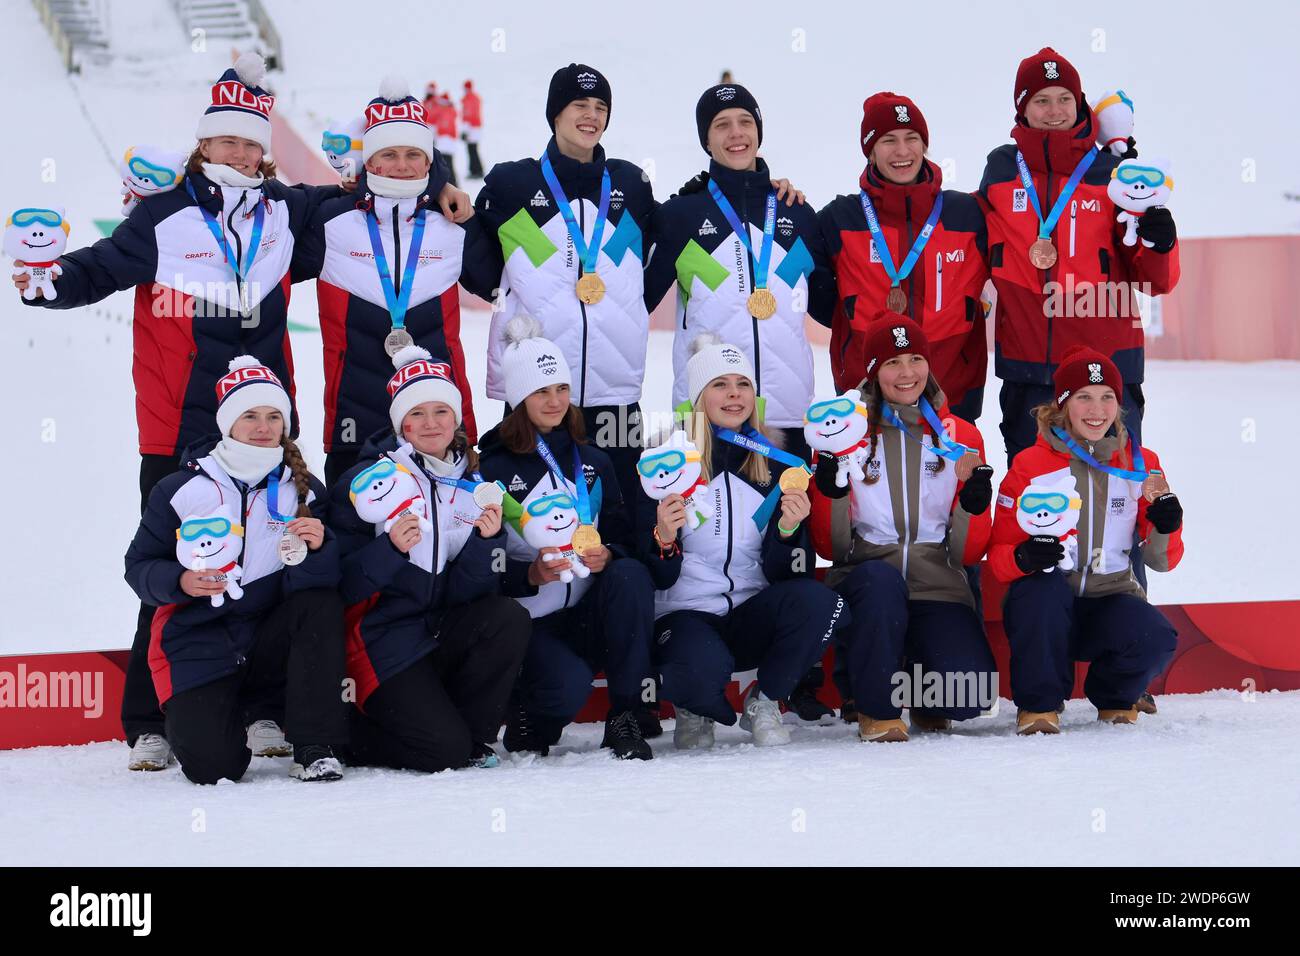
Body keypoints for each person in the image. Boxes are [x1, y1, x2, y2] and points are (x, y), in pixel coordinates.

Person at [12, 53, 349, 772]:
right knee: (175, 567)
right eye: (227, 140)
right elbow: (100, 266)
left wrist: (446, 189)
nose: (240, 151)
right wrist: (48, 281)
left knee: (269, 567)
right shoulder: (165, 216)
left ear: (263, 149)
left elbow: (364, 197)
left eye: (251, 141)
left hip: (264, 433)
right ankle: (148, 719)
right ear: (204, 145)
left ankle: (261, 710)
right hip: (180, 431)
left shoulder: (287, 211)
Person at [124, 356, 347, 783]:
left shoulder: (303, 490)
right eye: (250, 415)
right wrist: (180, 581)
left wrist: (319, 550)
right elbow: (138, 567)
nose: (263, 427)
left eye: (273, 416)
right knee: (214, 769)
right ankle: (220, 715)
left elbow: (325, 584)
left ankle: (314, 745)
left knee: (319, 605)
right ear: (228, 422)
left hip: (267, 640)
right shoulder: (180, 487)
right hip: (198, 639)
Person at [640, 335, 849, 749]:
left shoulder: (773, 462)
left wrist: (788, 532)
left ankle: (766, 701)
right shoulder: (667, 459)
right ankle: (695, 705)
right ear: (699, 396)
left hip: (750, 608)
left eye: (743, 384)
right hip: (686, 612)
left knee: (823, 604)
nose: (734, 394)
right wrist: (662, 536)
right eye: (720, 384)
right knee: (702, 669)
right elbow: (650, 568)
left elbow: (779, 570)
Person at [330, 347, 531, 772]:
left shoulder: (474, 484)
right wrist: (389, 550)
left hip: (439, 629)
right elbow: (342, 585)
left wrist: (484, 542)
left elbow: (470, 593)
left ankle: (473, 736)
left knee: (506, 617)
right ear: (400, 423)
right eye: (417, 413)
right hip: (383, 636)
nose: (431, 423)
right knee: (442, 752)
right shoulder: (368, 483)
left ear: (456, 419)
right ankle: (345, 733)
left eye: (441, 410)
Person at [976, 47, 1180, 464]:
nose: (1055, 110)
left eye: (1064, 98)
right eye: (1042, 100)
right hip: (1028, 369)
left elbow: (1156, 279)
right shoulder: (1001, 170)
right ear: (1022, 108)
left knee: (1115, 492)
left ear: (1080, 101)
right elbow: (967, 241)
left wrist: (1161, 242)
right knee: (1034, 498)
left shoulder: (1115, 174)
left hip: (1106, 373)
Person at [295, 77, 501, 488]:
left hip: (439, 419)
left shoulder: (454, 224)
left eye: (413, 154)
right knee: (356, 541)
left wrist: (459, 204)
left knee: (445, 539)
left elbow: (495, 283)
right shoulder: (330, 221)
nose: (402, 165)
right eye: (388, 154)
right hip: (355, 418)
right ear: (369, 162)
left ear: (429, 163)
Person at [474, 64, 655, 527]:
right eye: (580, 105)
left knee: (620, 516)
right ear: (555, 114)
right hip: (536, 388)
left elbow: (662, 252)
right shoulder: (512, 184)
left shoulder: (631, 184)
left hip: (614, 389)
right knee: (531, 517)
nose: (591, 116)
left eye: (601, 108)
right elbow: (478, 269)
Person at [477, 315, 659, 760]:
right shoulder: (492, 469)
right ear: (520, 398)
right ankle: (529, 710)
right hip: (530, 621)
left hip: (585, 610)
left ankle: (625, 716)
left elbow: (623, 536)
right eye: (542, 391)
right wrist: (530, 574)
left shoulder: (593, 459)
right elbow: (482, 565)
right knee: (568, 688)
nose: (556, 400)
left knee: (631, 575)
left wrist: (609, 554)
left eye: (561, 389)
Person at [808, 314, 997, 742]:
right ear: (873, 371)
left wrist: (973, 504)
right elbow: (830, 547)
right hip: (868, 580)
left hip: (937, 585)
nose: (907, 372)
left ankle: (919, 683)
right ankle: (877, 709)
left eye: (915, 359)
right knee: (879, 584)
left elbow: (967, 555)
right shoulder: (843, 432)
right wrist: (831, 491)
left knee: (970, 696)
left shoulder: (959, 436)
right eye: (892, 362)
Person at [988, 346, 1183, 734]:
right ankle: (1040, 705)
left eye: (1107, 397)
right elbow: (998, 558)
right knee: (1039, 596)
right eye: (1084, 397)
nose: (1097, 409)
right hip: (1048, 602)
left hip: (1109, 599)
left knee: (1157, 637)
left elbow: (1163, 560)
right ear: (1063, 405)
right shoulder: (1030, 464)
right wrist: (1024, 558)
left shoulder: (1142, 464)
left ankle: (1113, 695)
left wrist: (1167, 525)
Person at [645, 83, 836, 462]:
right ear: (706, 140)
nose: (736, 133)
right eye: (721, 125)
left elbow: (828, 308)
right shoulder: (681, 216)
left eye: (745, 122)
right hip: (707, 418)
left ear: (758, 132)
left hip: (787, 416)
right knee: (709, 523)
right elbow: (638, 299)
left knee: (786, 521)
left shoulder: (797, 212)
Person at [819, 92, 990, 424]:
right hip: (867, 397)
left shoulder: (966, 214)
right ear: (869, 151)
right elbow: (818, 295)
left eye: (912, 138)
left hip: (953, 397)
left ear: (925, 146)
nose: (902, 151)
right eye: (888, 140)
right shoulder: (841, 219)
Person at [461, 80, 484, 180]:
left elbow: (469, 115)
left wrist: (465, 130)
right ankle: (476, 169)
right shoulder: (475, 98)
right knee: (473, 149)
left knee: (472, 150)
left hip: (471, 128)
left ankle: (476, 170)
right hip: (475, 127)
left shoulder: (469, 99)